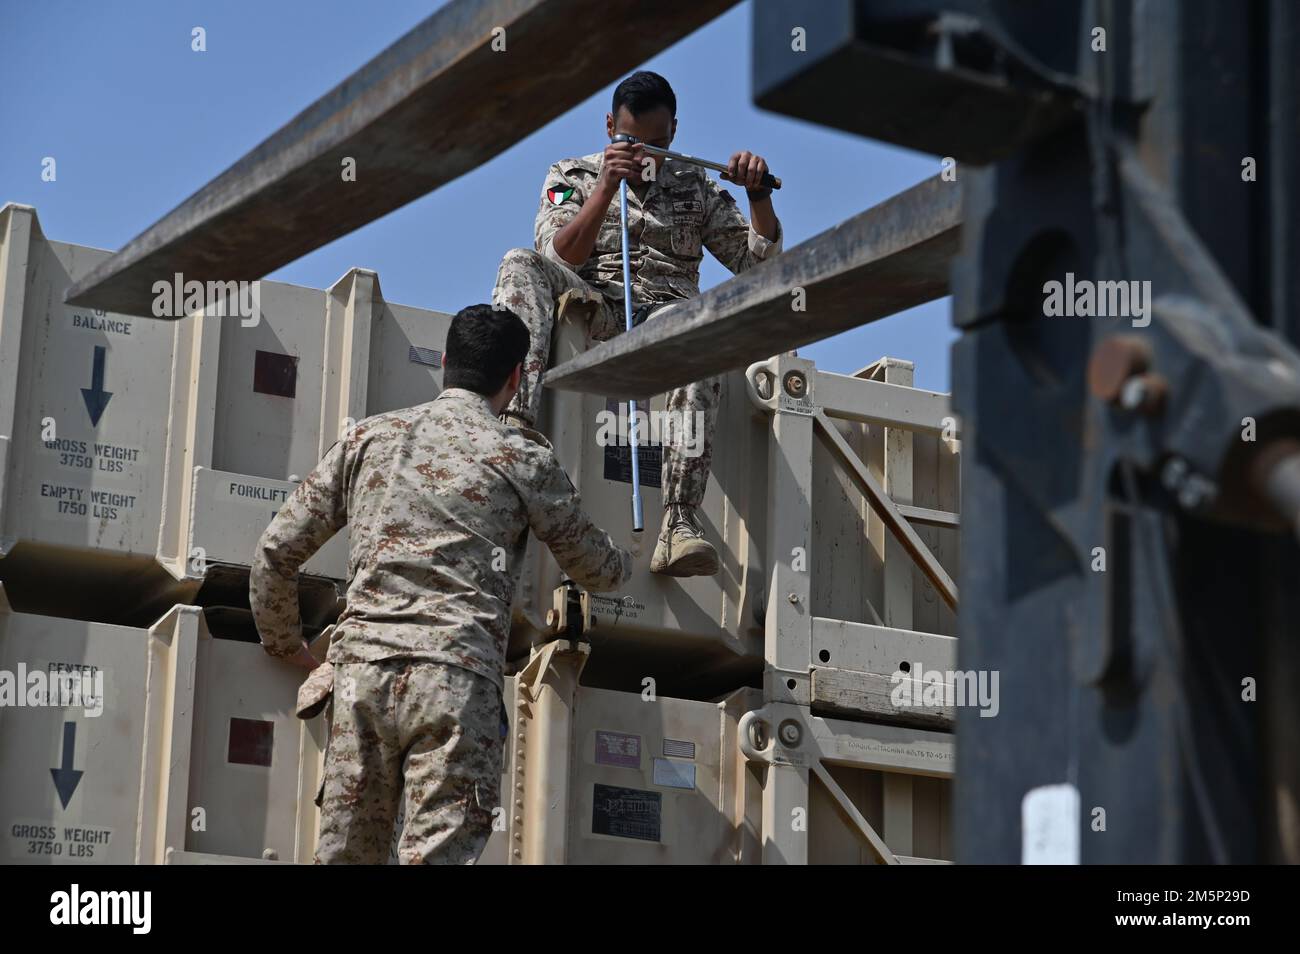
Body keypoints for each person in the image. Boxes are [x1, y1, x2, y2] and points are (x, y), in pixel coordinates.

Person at [250, 304, 631, 864]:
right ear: (515, 378)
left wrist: (288, 644)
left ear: (447, 361)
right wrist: (627, 559)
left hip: (362, 679)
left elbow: (274, 553)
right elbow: (597, 569)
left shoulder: (369, 439)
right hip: (457, 685)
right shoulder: (524, 458)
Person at [492, 70, 783, 578]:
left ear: (674, 132)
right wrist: (606, 187)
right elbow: (559, 257)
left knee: (699, 323)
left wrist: (760, 198)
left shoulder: (695, 185)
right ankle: (514, 428)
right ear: (609, 127)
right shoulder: (572, 175)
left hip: (669, 317)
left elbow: (759, 269)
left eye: (657, 145)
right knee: (519, 261)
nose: (646, 158)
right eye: (632, 143)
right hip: (595, 307)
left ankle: (679, 521)